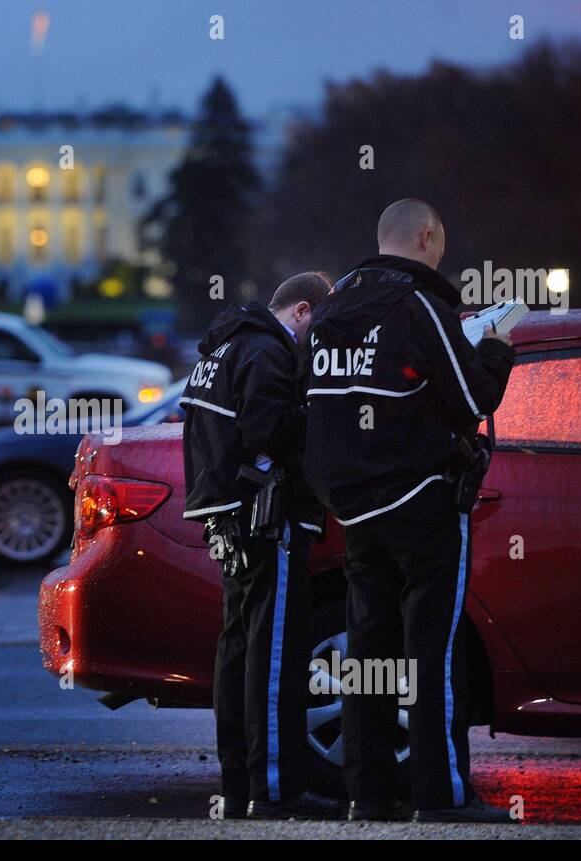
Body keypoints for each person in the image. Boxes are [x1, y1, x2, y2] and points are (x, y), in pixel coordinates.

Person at [303, 199, 516, 823]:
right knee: (434, 651)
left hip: (353, 508)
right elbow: (472, 396)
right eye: (440, 247)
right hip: (421, 501)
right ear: (425, 236)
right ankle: (442, 796)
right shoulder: (421, 306)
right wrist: (497, 346)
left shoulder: (331, 309)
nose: (441, 257)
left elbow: (314, 403)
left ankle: (366, 796)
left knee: (368, 654)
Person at [180, 272, 341, 820]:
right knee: (275, 660)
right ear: (300, 311)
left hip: (225, 518)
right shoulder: (266, 354)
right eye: (317, 328)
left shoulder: (224, 345)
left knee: (238, 654)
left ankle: (241, 783)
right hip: (266, 521)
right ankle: (275, 792)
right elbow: (269, 431)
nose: (317, 346)